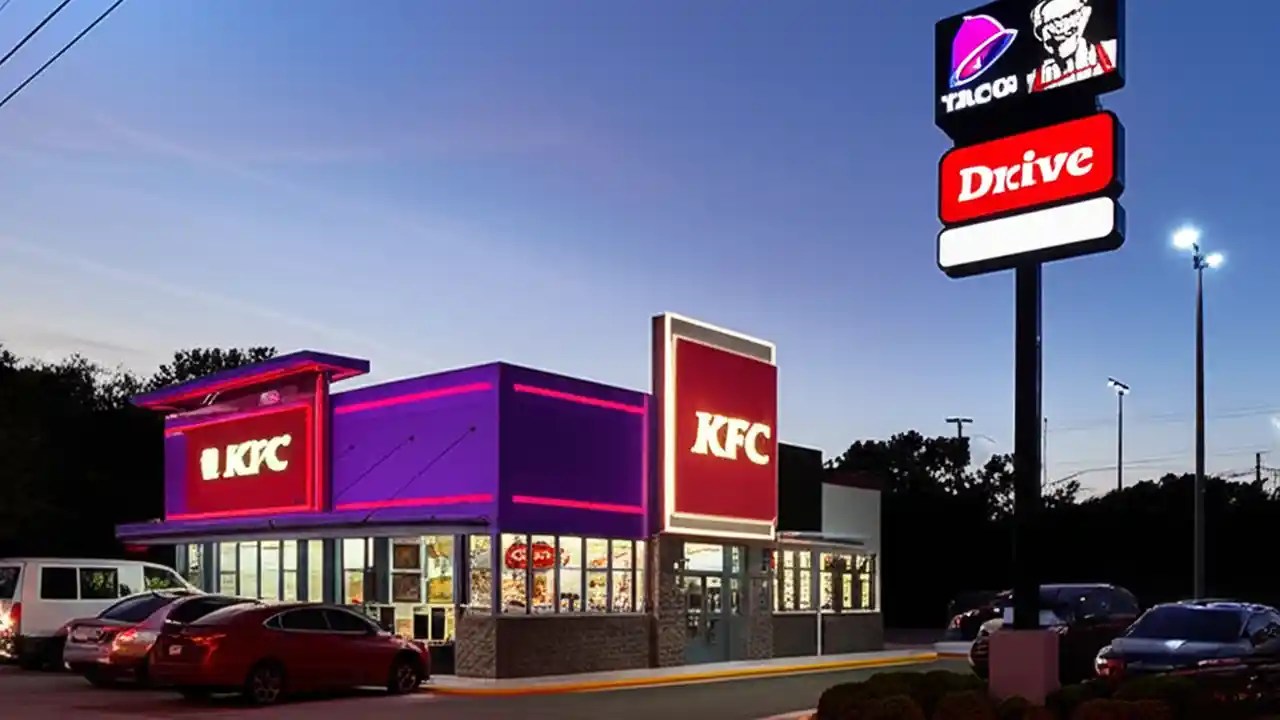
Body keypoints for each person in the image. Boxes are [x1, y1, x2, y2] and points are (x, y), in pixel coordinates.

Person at [1028, 0, 1118, 92]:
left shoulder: (1113, 52)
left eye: (1067, 17)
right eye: (1050, 23)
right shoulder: (1033, 80)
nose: (1059, 27)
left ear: (1084, 14)